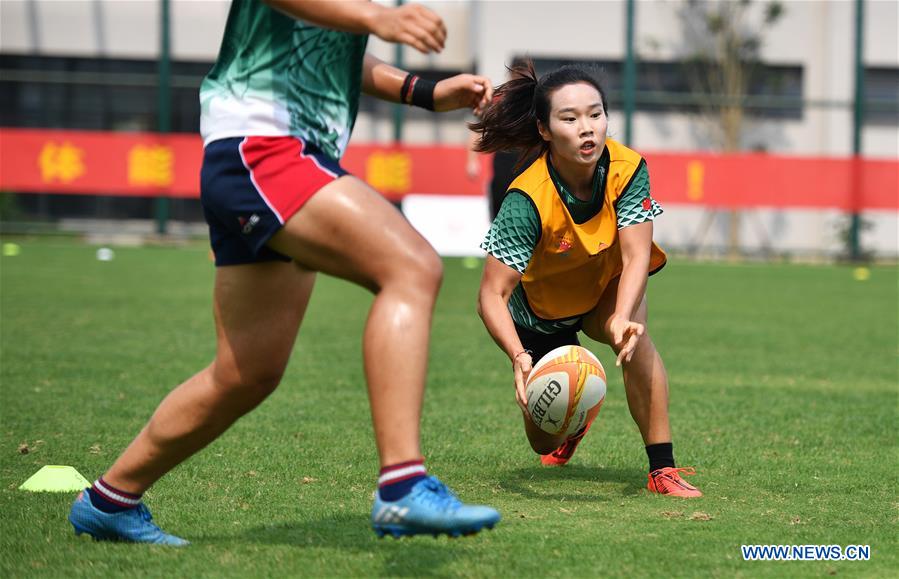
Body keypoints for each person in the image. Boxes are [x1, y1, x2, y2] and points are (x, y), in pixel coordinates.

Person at [68, 0, 501, 545]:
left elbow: (334, 48)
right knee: (411, 267)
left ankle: (110, 500)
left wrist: (424, 91)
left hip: (275, 155)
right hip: (264, 146)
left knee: (246, 373)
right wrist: (376, 19)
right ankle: (402, 485)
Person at [470, 61, 702, 498]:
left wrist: (620, 320)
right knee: (543, 440)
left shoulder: (627, 168)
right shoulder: (527, 199)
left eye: (596, 114)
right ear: (544, 129)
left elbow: (635, 258)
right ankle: (576, 418)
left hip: (604, 290)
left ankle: (662, 469)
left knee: (636, 340)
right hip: (540, 318)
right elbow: (490, 296)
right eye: (570, 118)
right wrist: (519, 356)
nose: (587, 129)